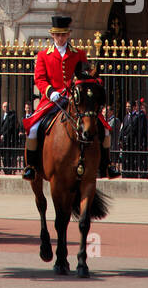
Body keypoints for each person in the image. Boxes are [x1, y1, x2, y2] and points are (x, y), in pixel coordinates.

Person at [22, 15, 115, 180]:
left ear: (68, 34)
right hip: (52, 101)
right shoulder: (44, 55)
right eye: (57, 35)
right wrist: (51, 92)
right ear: (52, 35)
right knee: (34, 129)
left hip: (76, 100)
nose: (60, 38)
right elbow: (40, 79)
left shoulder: (78, 54)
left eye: (63, 34)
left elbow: (86, 76)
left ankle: (107, 165)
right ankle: (31, 166)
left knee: (104, 128)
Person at [0, 100, 19, 174]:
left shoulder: (13, 115)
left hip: (9, 138)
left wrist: (4, 135)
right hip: (2, 138)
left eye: (7, 106)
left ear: (10, 107)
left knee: (8, 154)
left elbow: (10, 127)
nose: (5, 108)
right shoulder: (2, 116)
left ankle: (9, 169)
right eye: (4, 106)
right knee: (3, 154)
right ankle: (5, 168)